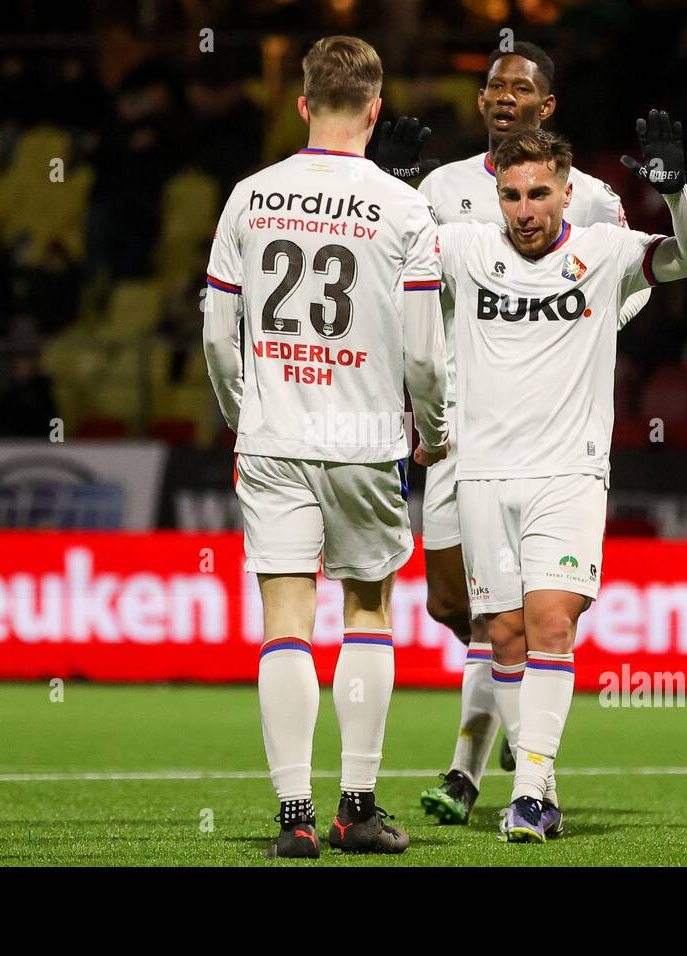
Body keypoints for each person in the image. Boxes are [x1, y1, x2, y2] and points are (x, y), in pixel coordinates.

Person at [435, 122, 687, 842]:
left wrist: (676, 193)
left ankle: (528, 794)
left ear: (567, 191)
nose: (524, 210)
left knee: (550, 624)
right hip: (483, 475)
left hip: (568, 475)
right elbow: (385, 264)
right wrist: (403, 188)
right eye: (510, 195)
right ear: (495, 195)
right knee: (501, 637)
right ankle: (534, 778)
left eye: (538, 194)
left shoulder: (604, 252)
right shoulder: (465, 250)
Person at [202, 36, 449, 859]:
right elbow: (421, 350)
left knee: (284, 621)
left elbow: (215, 333)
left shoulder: (248, 195)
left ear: (301, 103)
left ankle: (292, 820)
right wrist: (435, 428)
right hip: (364, 440)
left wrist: (246, 414)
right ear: (376, 110)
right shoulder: (404, 208)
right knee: (368, 611)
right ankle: (358, 810)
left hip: (275, 433)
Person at [408, 42, 651, 830]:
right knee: (455, 607)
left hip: (543, 431)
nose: (502, 97)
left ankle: (477, 772)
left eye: (521, 88)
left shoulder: (594, 200)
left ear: (548, 107)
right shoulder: (442, 188)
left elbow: (625, 284)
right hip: (453, 427)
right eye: (492, 86)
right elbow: (404, 281)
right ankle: (523, 728)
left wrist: (585, 328)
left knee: (513, 621)